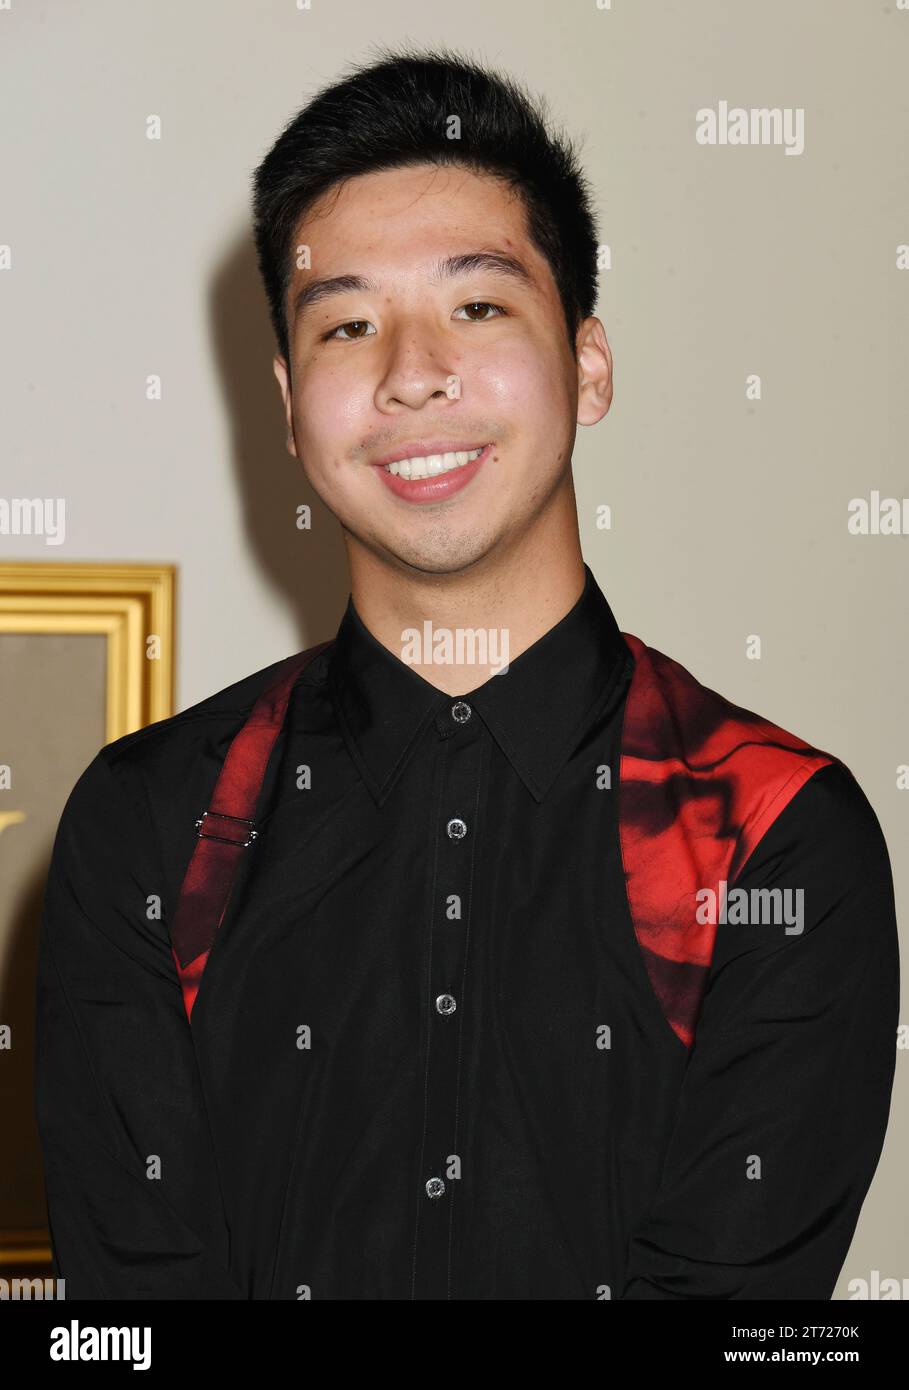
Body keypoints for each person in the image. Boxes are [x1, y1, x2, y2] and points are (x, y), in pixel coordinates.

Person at [34, 44, 899, 1301]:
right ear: (287, 405)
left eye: (478, 305)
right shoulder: (150, 829)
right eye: (347, 323)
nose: (411, 371)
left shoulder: (772, 837)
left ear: (588, 365)